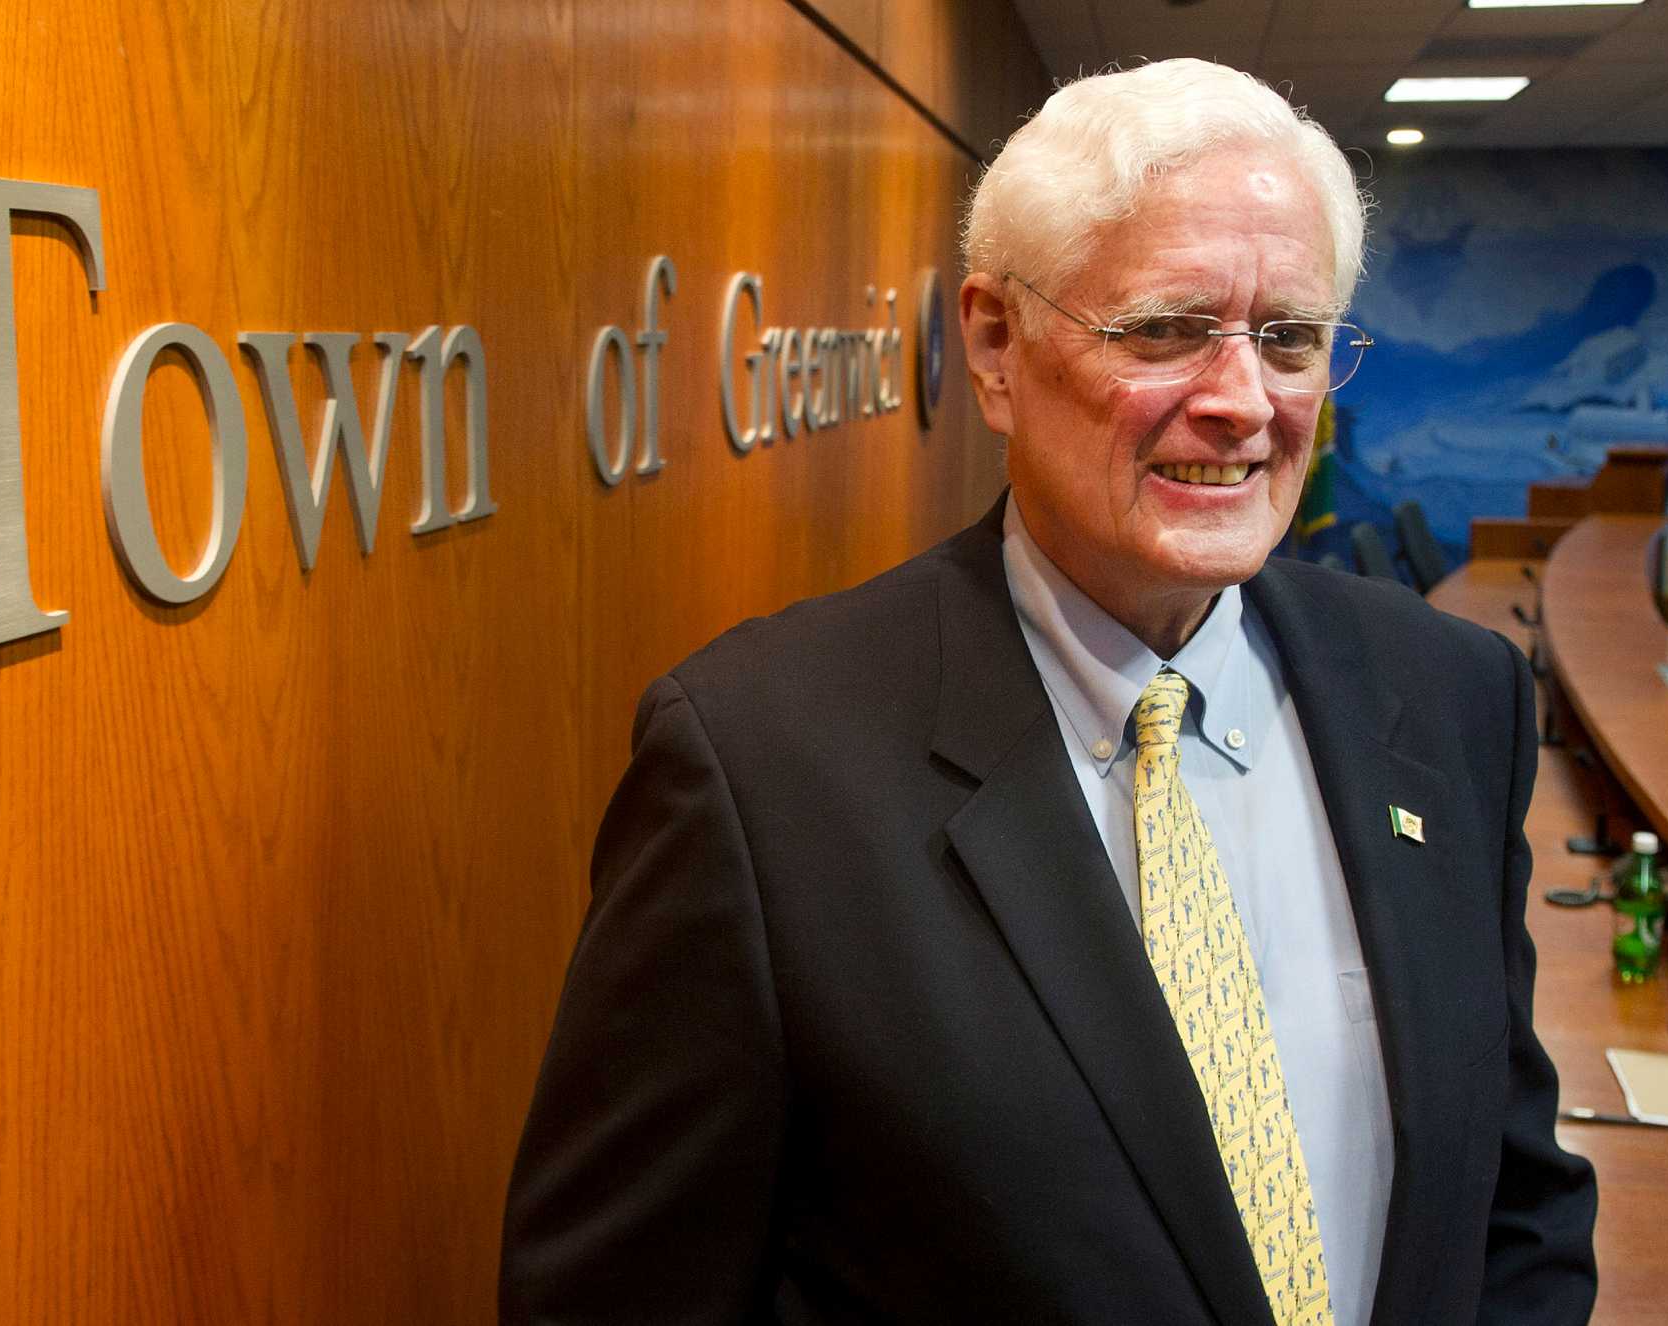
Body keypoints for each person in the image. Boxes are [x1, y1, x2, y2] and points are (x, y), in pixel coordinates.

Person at [501, 59, 1598, 1326]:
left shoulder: (1451, 699)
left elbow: (1512, 1205)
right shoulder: (757, 771)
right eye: (1165, 329)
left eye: (1287, 339)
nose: (1241, 403)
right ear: (994, 345)